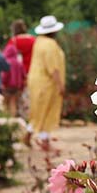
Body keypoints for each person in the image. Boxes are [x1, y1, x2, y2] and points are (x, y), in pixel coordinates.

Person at [27, 15, 66, 148]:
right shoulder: (50, 45)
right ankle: (44, 139)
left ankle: (30, 131)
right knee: (47, 110)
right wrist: (60, 85)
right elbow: (53, 68)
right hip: (47, 82)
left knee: (37, 110)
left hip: (36, 80)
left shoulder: (39, 41)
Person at [2, 19, 35, 116]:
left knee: (16, 98)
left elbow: (6, 57)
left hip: (18, 74)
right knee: (29, 96)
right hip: (32, 70)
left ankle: (20, 115)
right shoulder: (33, 39)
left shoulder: (13, 41)